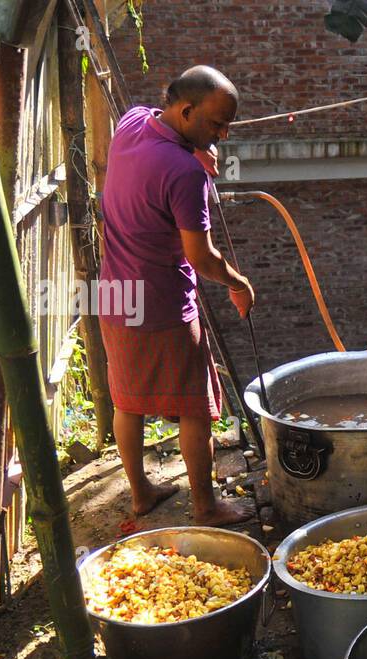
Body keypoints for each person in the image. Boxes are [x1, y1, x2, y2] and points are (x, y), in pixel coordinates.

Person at [97, 65, 255, 526]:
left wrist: (193, 147)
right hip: (162, 305)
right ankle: (206, 508)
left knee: (128, 401)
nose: (222, 135)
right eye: (215, 124)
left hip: (112, 295)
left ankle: (141, 492)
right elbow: (202, 258)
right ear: (186, 111)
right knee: (195, 407)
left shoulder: (131, 122)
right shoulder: (185, 174)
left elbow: (156, 153)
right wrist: (238, 283)